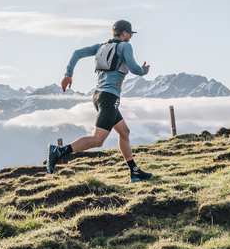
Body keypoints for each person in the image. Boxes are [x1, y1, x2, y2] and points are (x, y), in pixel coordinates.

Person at [46, 19, 153, 182]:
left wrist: (68, 74)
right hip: (109, 98)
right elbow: (134, 69)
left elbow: (76, 53)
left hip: (98, 96)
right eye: (130, 34)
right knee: (98, 140)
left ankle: (134, 171)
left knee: (124, 132)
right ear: (124, 33)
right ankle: (59, 151)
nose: (131, 37)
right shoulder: (125, 46)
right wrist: (144, 70)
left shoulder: (101, 47)